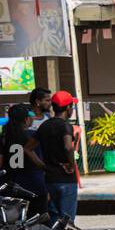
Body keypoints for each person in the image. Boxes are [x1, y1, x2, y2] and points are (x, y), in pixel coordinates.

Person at [0, 103, 48, 215]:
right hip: (34, 186)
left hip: (10, 188)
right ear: (26, 119)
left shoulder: (4, 138)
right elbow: (42, 162)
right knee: (38, 223)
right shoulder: (33, 137)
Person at [35, 89, 79, 220]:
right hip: (66, 179)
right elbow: (67, 146)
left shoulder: (44, 126)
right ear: (69, 108)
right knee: (67, 220)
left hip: (49, 178)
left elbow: (27, 148)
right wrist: (71, 165)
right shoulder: (66, 126)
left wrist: (42, 165)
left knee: (54, 219)